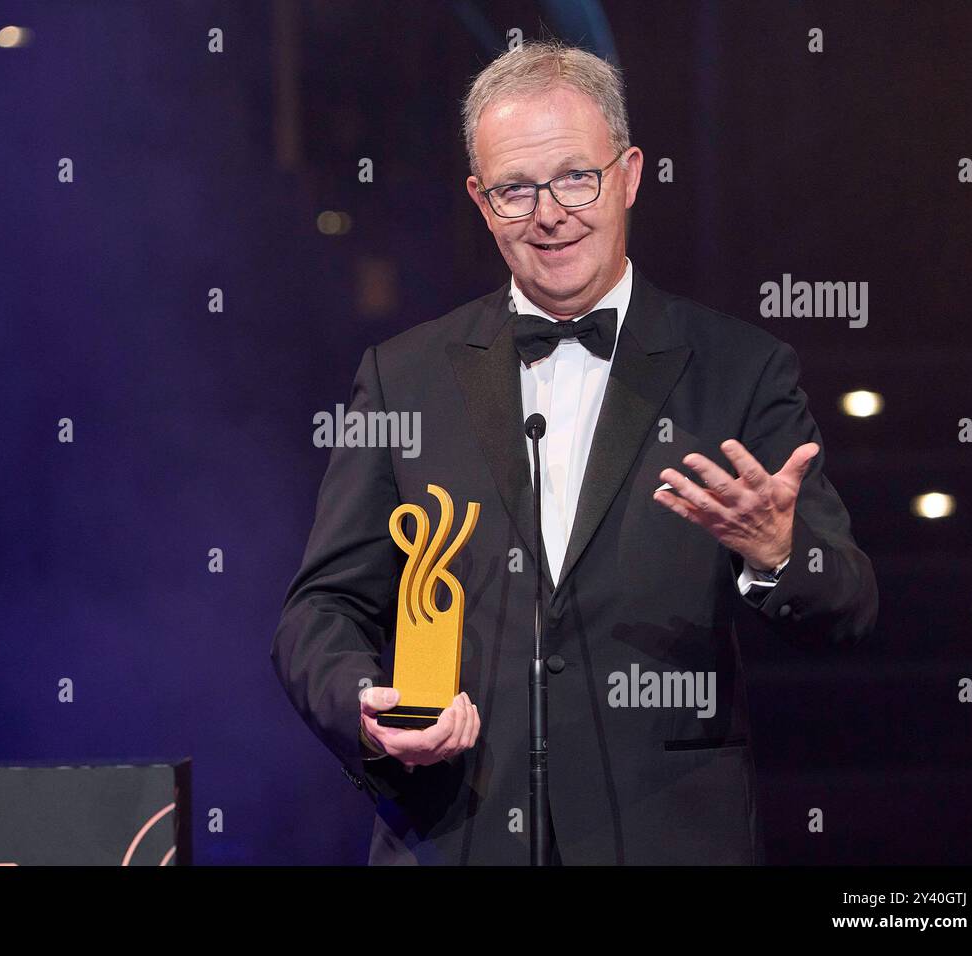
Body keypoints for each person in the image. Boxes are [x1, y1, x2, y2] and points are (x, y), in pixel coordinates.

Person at [270, 39, 877, 865]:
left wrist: (777, 553)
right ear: (482, 202)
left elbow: (850, 605)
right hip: (455, 835)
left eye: (575, 178)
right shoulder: (402, 376)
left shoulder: (739, 370)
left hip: (664, 840)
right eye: (516, 189)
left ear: (628, 176)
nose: (548, 212)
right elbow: (321, 610)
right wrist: (365, 705)